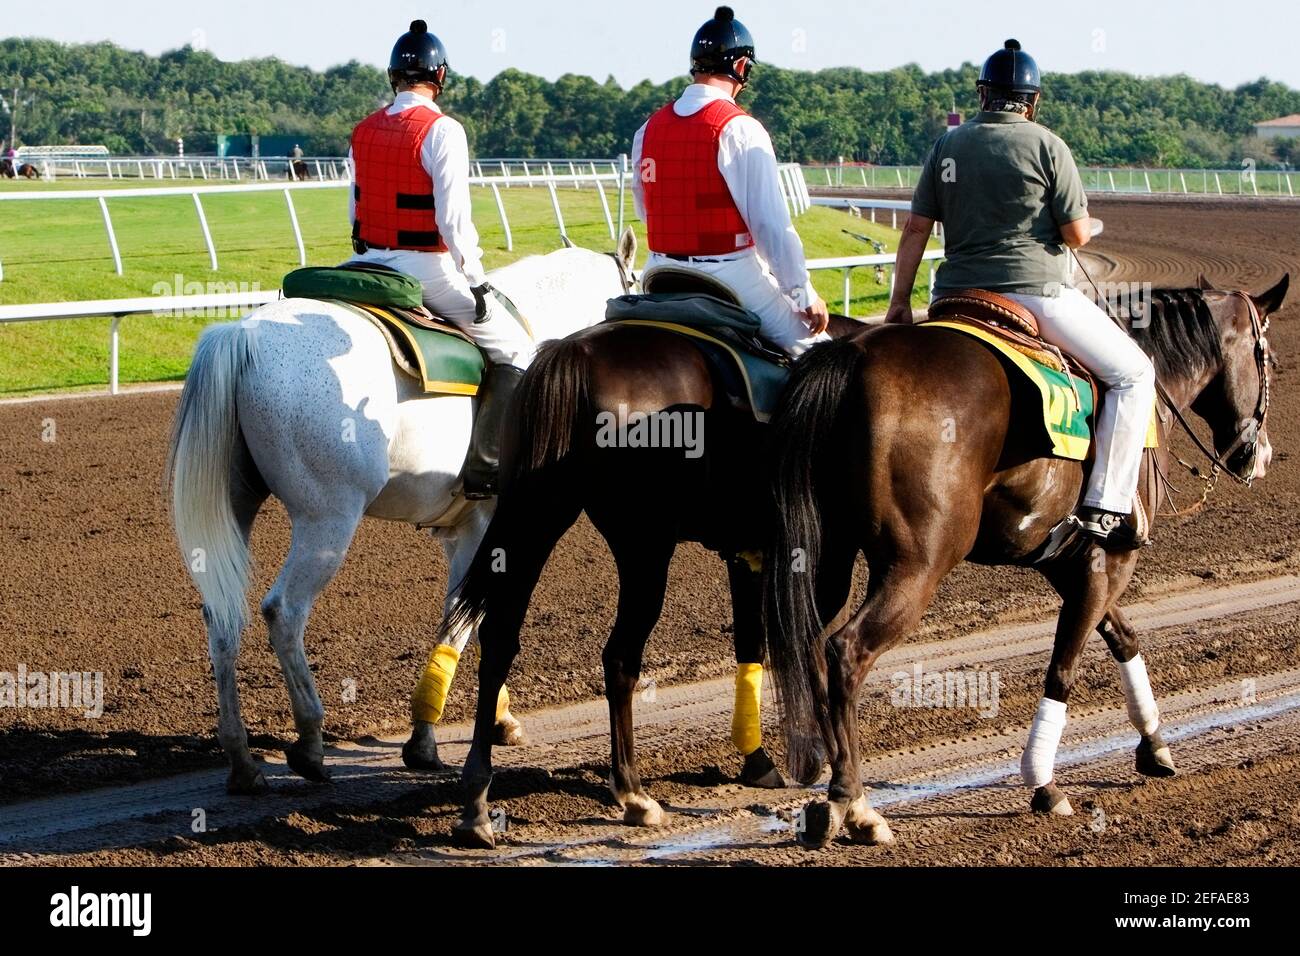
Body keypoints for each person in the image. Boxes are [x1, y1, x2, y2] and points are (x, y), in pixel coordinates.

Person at [885, 39, 1156, 550]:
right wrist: (1087, 227)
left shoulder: (948, 146)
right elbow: (1076, 235)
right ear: (1032, 102)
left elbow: (916, 228)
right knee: (1135, 375)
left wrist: (901, 303)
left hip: (954, 297)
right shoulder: (1049, 145)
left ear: (983, 95)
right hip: (1035, 295)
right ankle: (1108, 504)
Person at [347, 20, 530, 498]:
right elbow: (453, 223)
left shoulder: (363, 129)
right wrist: (478, 281)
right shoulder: (443, 130)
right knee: (515, 349)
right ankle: (485, 470)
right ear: (440, 76)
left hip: (363, 267)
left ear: (393, 76)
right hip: (423, 271)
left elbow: (356, 206)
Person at [630, 6, 829, 356]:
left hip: (658, 273)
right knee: (820, 356)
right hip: (728, 275)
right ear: (740, 68)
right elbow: (770, 225)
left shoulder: (647, 130)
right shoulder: (740, 129)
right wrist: (802, 293)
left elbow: (646, 209)